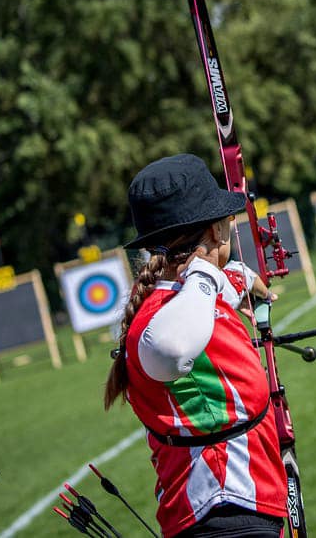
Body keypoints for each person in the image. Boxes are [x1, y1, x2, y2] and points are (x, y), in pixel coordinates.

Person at [104, 153, 287, 538]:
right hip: (224, 507)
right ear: (217, 232)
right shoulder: (166, 318)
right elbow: (170, 348)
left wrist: (238, 276)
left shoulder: (181, 295)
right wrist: (206, 269)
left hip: (236, 506)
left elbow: (205, 291)